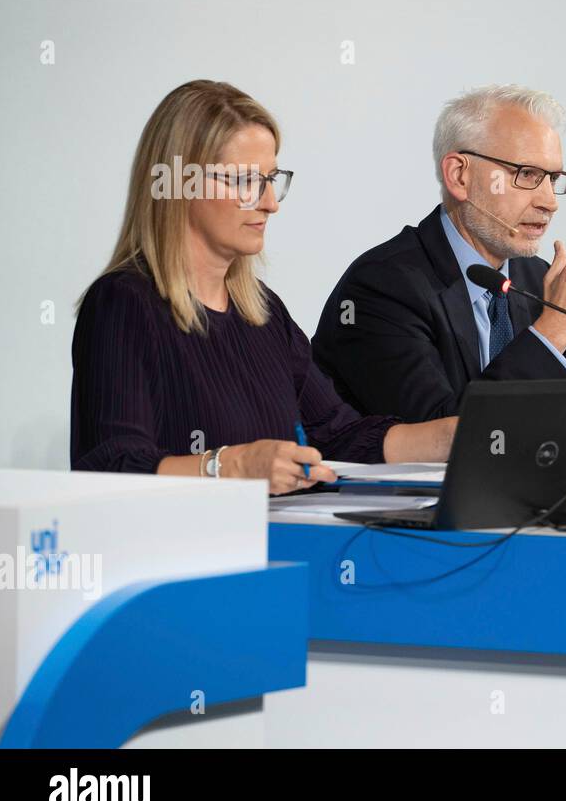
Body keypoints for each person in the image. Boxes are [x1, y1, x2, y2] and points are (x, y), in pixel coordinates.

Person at [71, 80, 457, 494]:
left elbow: (335, 436)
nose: (270, 202)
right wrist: (231, 466)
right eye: (245, 181)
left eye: (272, 178)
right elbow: (110, 466)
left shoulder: (264, 312)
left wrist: (457, 437)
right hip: (185, 553)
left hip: (281, 546)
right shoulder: (122, 303)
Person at [312, 84, 566, 422]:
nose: (550, 202)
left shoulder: (533, 276)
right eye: (527, 174)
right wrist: (557, 327)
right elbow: (439, 434)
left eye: (553, 178)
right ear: (459, 176)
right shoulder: (381, 287)